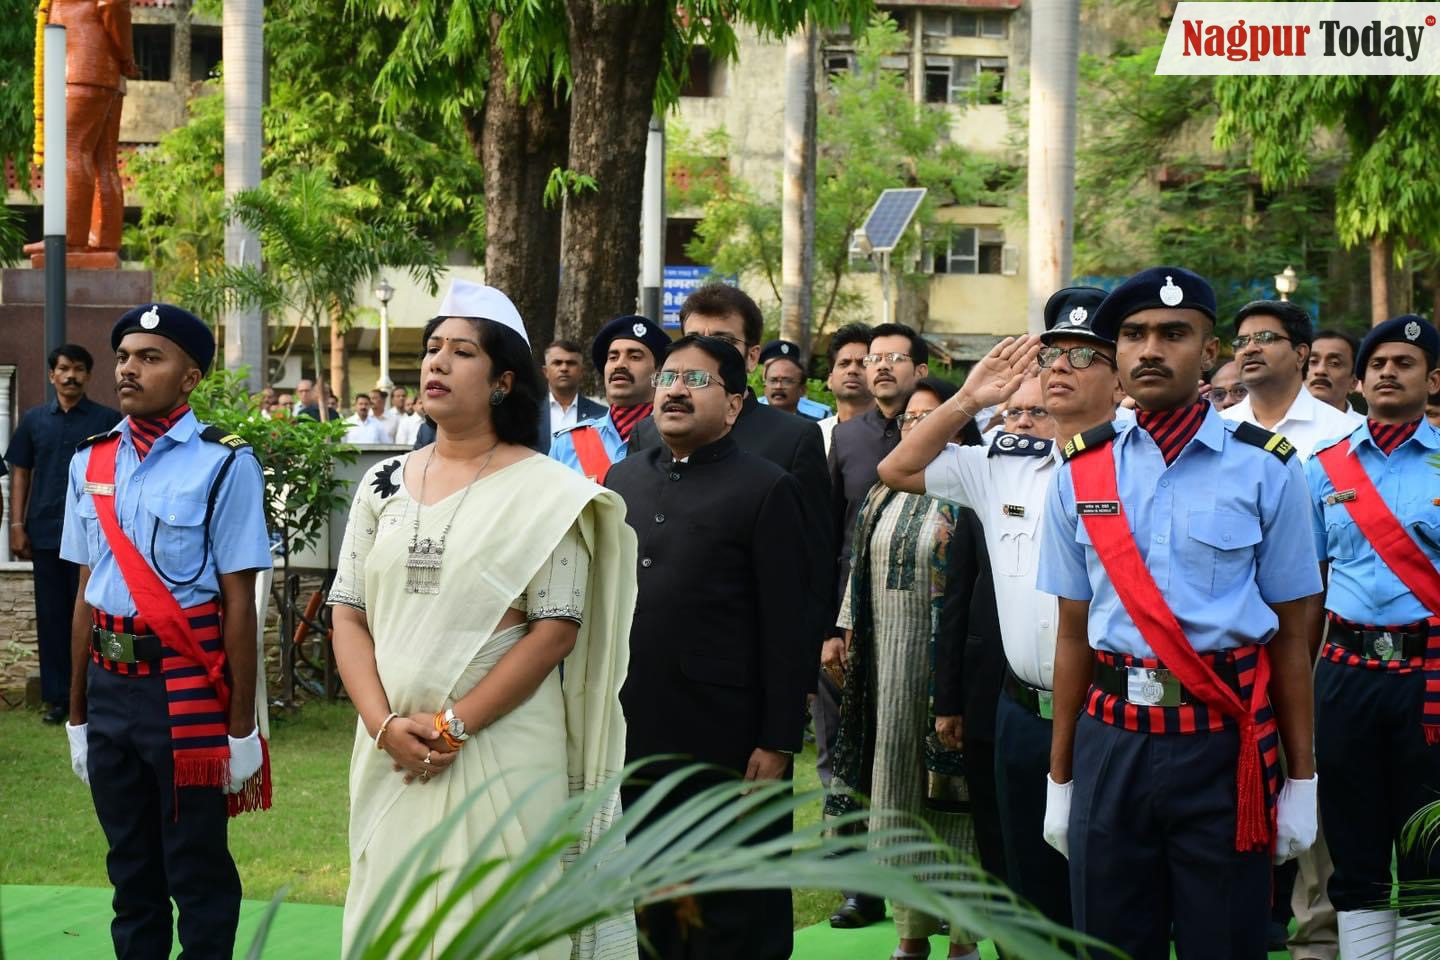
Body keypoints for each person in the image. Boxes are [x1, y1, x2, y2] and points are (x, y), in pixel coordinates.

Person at [329, 279, 638, 957]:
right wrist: (384, 726)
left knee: (501, 927)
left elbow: (556, 629)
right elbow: (347, 613)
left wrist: (452, 726)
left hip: (498, 747)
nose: (436, 362)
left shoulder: (550, 493)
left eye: (460, 351)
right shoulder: (382, 484)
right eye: (432, 348)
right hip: (391, 750)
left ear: (502, 381)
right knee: (394, 921)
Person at [1038, 267, 1323, 960]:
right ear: (1116, 353)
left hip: (1223, 746)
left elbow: (1292, 639)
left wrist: (1303, 779)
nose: (1150, 350)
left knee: (1222, 943)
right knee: (1108, 942)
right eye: (1133, 335)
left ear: (1209, 349)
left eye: (1174, 333)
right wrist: (1061, 777)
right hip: (1112, 742)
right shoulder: (1080, 471)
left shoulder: (1269, 467)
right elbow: (1072, 635)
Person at [879, 287, 1119, 938]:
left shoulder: (1140, 467)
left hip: (1109, 715)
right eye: (1051, 356)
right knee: (1023, 895)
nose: (1060, 368)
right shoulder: (1005, 468)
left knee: (1106, 896)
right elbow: (897, 467)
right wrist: (969, 399)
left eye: (1082, 355)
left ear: (1119, 376)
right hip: (1020, 713)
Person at [60, 303, 272, 958]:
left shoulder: (224, 465)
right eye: (124, 356)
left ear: (189, 377)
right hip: (111, 687)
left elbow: (241, 605)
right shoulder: (89, 463)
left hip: (184, 691)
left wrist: (240, 730)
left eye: (150, 357)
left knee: (197, 868)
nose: (128, 368)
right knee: (131, 869)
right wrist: (76, 714)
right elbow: (85, 597)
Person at [606, 334, 808, 960]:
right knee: (648, 900)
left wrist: (776, 741)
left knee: (733, 905)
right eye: (668, 378)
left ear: (734, 404)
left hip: (727, 736)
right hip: (632, 726)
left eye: (696, 381)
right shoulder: (621, 479)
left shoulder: (767, 487)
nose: (674, 390)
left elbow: (789, 623)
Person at [829, 376, 984, 960]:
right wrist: (845, 631)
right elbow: (860, 571)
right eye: (910, 420)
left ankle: (964, 942)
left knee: (954, 812)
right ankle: (909, 936)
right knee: (897, 808)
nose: (918, 426)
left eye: (933, 415)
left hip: (943, 674)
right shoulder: (881, 490)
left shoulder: (972, 488)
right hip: (885, 674)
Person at [626, 285, 833, 708]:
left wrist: (796, 681)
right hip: (644, 669)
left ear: (753, 356)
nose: (702, 349)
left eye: (720, 341)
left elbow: (809, 568)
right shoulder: (648, 434)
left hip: (735, 676)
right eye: (692, 337)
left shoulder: (793, 438)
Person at [1305, 315, 1440, 960]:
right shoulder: (1318, 469)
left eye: (1406, 362)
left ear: (1432, 379)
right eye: (1378, 362)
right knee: (1354, 841)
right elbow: (1301, 587)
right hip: (1345, 670)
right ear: (1358, 381)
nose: (1389, 371)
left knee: (1427, 844)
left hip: (1430, 675)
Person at [819, 320, 930, 928]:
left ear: (919, 368)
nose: (880, 367)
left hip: (919, 620)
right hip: (851, 624)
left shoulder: (941, 428)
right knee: (849, 752)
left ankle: (923, 889)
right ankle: (859, 886)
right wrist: (828, 628)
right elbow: (829, 535)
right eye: (874, 358)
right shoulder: (848, 438)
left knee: (916, 753)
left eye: (894, 358)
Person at [5, 344, 122, 724]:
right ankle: (58, 699)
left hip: (96, 536)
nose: (71, 376)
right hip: (45, 531)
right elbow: (21, 472)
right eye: (64, 369)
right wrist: (17, 525)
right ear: (52, 375)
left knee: (96, 612)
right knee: (52, 616)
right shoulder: (34, 421)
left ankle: (95, 692)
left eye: (79, 370)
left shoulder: (107, 420)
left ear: (89, 376)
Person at [1222, 300, 1361, 458]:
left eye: (1265, 338)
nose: (1249, 349)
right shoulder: (1216, 429)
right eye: (1241, 342)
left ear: (1301, 354)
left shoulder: (1344, 434)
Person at [549, 314, 669, 479]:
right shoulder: (567, 443)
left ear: (659, 372)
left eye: (634, 357)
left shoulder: (673, 436)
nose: (620, 364)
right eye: (613, 357)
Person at [537, 338, 606, 455]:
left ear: (581, 371)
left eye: (571, 363)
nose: (564, 368)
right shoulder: (529, 414)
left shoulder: (601, 415)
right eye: (557, 363)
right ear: (545, 371)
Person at [818, 323, 875, 454]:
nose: (852, 370)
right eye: (844, 363)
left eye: (863, 364)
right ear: (830, 380)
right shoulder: (815, 435)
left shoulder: (896, 434)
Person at [758, 339, 830, 420]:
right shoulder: (748, 412)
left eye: (787, 380)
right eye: (771, 366)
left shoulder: (820, 415)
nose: (779, 386)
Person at [1306, 329, 1362, 416]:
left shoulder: (1368, 429)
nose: (1320, 370)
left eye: (1334, 363)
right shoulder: (1279, 426)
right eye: (1313, 361)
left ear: (1354, 382)